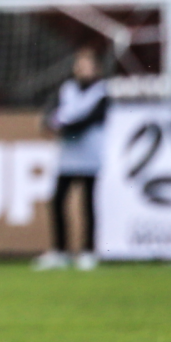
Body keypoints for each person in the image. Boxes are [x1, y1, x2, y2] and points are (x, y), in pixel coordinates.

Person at [34, 47, 108, 272]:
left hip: (90, 158)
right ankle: (60, 251)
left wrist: (63, 130)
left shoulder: (102, 93)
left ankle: (88, 251)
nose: (82, 69)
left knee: (88, 205)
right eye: (79, 65)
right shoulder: (66, 90)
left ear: (96, 68)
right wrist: (48, 123)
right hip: (66, 158)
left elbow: (89, 121)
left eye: (87, 65)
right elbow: (49, 112)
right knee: (57, 201)